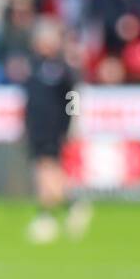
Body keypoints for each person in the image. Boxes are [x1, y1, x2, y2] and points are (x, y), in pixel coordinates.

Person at [23, 17, 91, 243]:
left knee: (47, 170)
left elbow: (73, 97)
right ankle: (68, 208)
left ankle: (49, 215)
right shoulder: (34, 66)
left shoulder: (63, 68)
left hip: (53, 127)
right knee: (44, 170)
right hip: (36, 127)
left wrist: (71, 124)